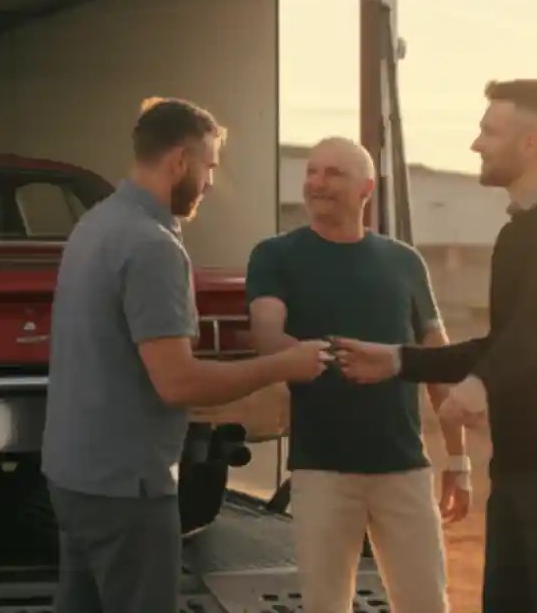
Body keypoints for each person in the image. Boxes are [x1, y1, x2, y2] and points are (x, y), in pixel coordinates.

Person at [332, 79, 537, 613]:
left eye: (490, 131)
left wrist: (478, 385)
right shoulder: (519, 234)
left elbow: (536, 329)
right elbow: (503, 341)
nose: (476, 144)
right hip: (520, 465)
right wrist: (398, 360)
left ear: (530, 143)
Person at [40, 96, 332, 612]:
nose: (212, 181)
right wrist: (282, 367)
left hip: (76, 475)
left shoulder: (95, 225)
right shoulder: (151, 245)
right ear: (180, 161)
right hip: (127, 487)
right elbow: (177, 383)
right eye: (210, 165)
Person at [244, 136, 470, 613]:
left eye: (333, 174)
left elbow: (438, 361)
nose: (317, 183)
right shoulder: (275, 256)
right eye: (312, 172)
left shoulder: (405, 262)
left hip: (404, 469)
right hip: (322, 471)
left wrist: (459, 458)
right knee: (327, 606)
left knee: (427, 605)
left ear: (367, 187)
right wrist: (335, 360)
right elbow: (268, 335)